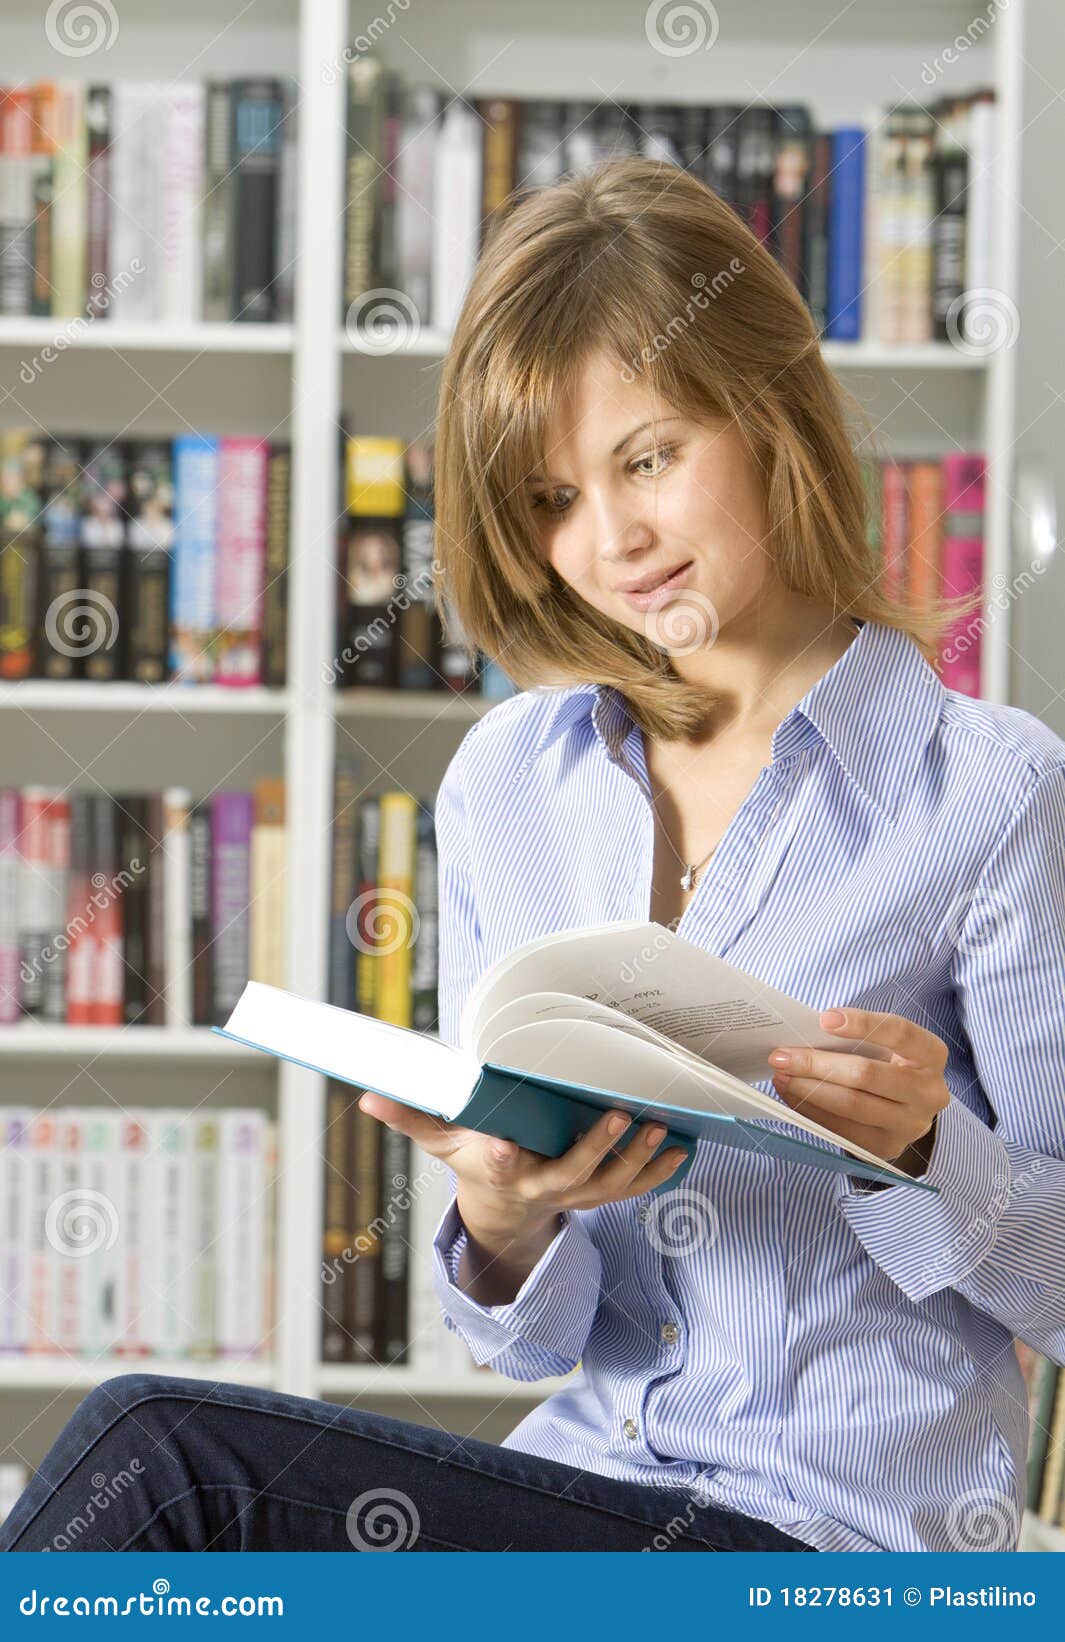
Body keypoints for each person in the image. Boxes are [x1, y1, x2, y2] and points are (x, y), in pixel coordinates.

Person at [3, 157, 1062, 1554]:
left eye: (647, 459)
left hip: (836, 1545)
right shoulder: (513, 778)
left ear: (770, 414)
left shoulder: (991, 790)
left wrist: (927, 1151)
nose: (610, 542)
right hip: (590, 1498)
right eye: (552, 497)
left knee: (162, 1464)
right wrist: (500, 1207)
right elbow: (524, 1343)